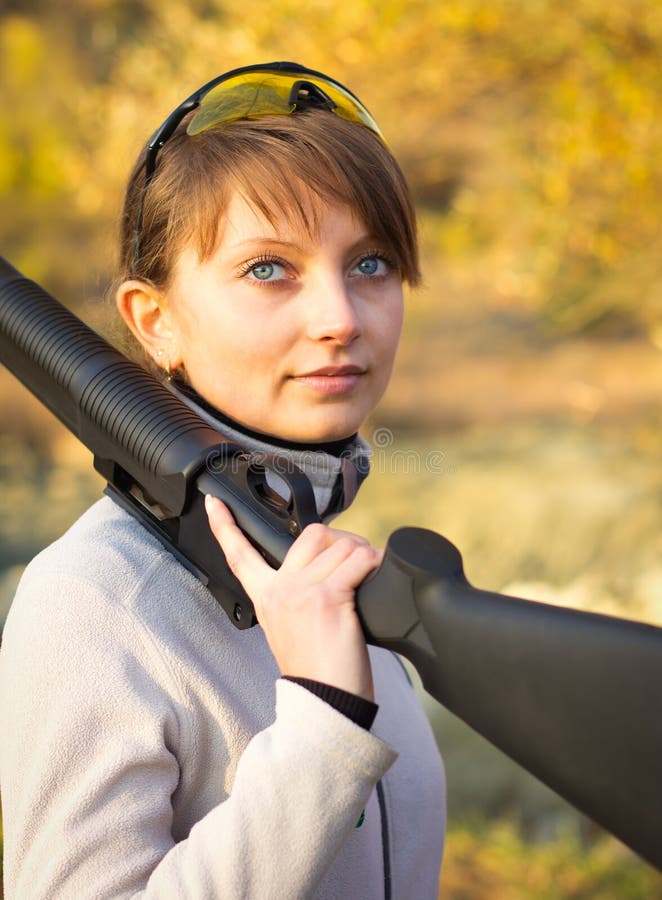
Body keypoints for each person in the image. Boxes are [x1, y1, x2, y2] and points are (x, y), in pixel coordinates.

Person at [0, 62, 446, 898]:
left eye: (372, 262)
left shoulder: (330, 571)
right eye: (268, 269)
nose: (340, 318)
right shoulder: (92, 600)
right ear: (155, 321)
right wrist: (323, 719)